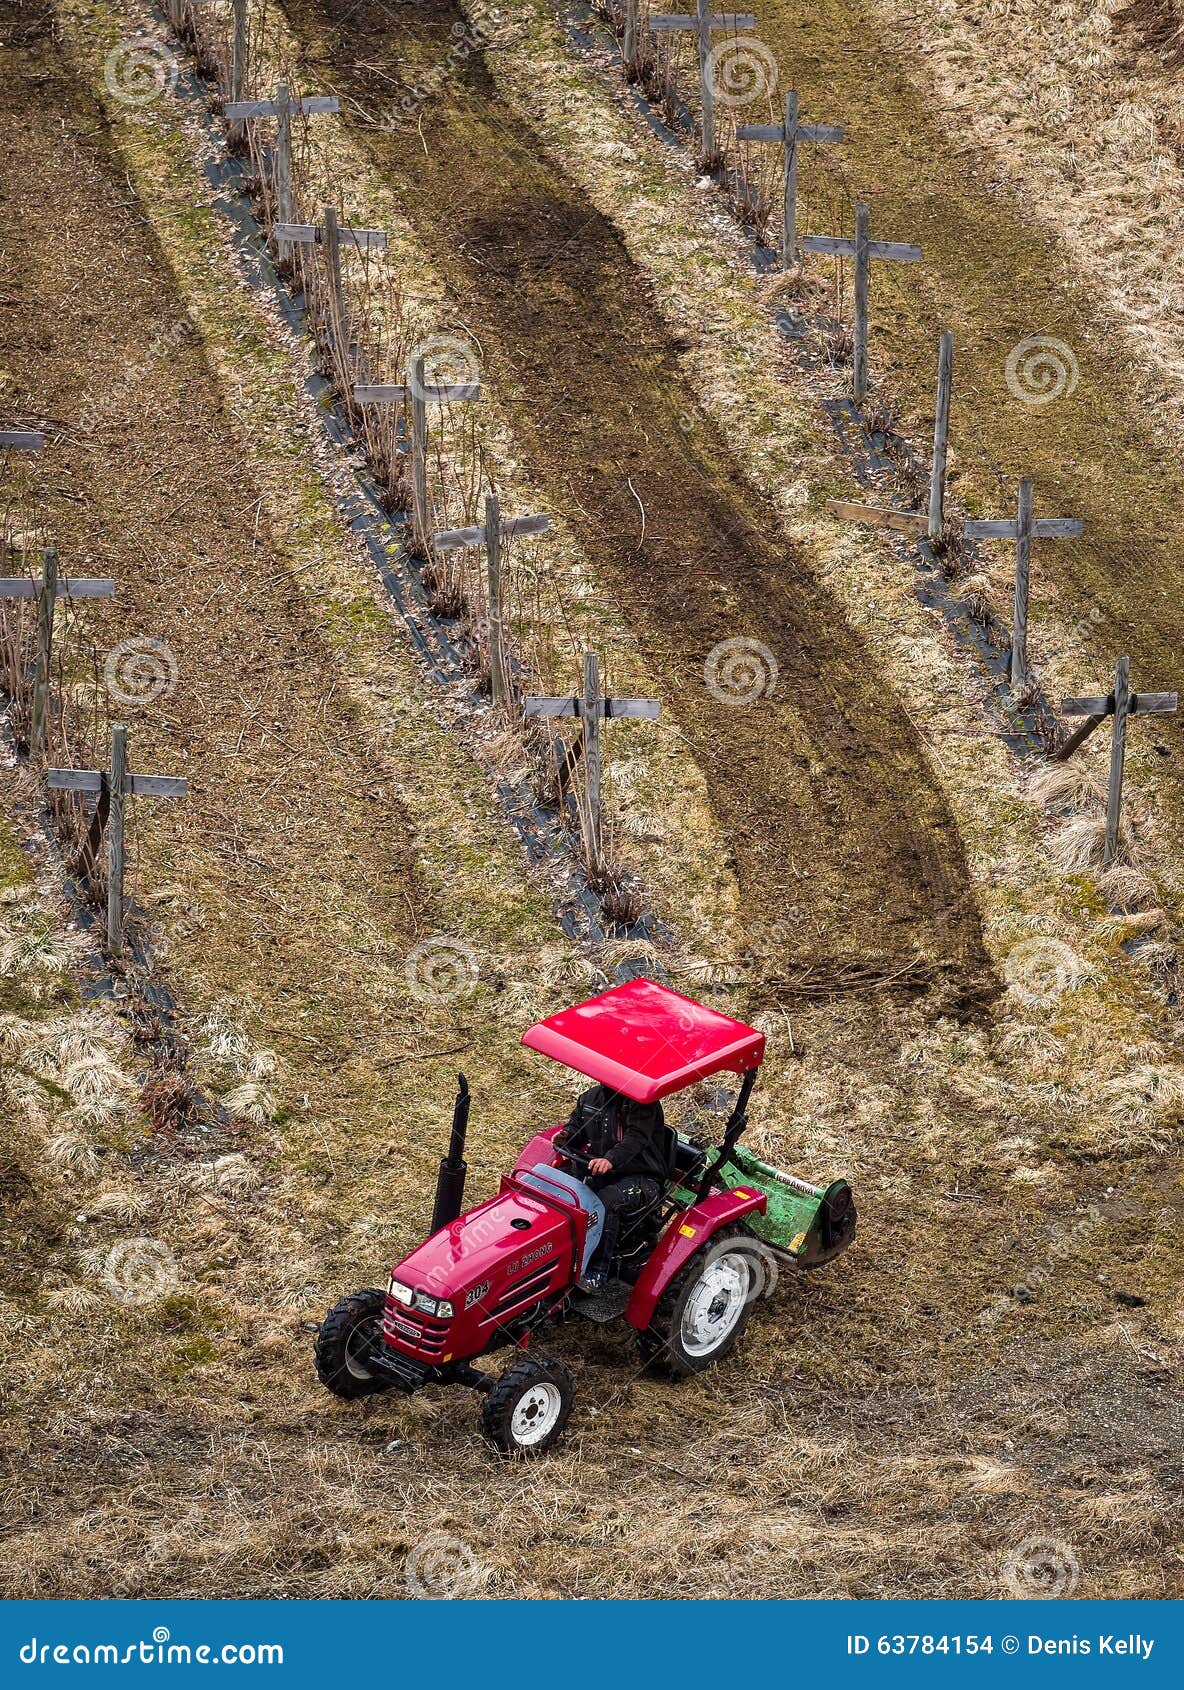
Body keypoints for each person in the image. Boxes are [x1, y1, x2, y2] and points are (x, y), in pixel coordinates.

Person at [556, 1083, 669, 1291]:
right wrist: (567, 1135)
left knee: (605, 1203)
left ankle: (597, 1272)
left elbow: (635, 1139)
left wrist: (610, 1160)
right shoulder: (589, 1098)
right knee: (555, 1186)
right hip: (601, 1170)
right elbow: (576, 1130)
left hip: (642, 1177)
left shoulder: (643, 1105)